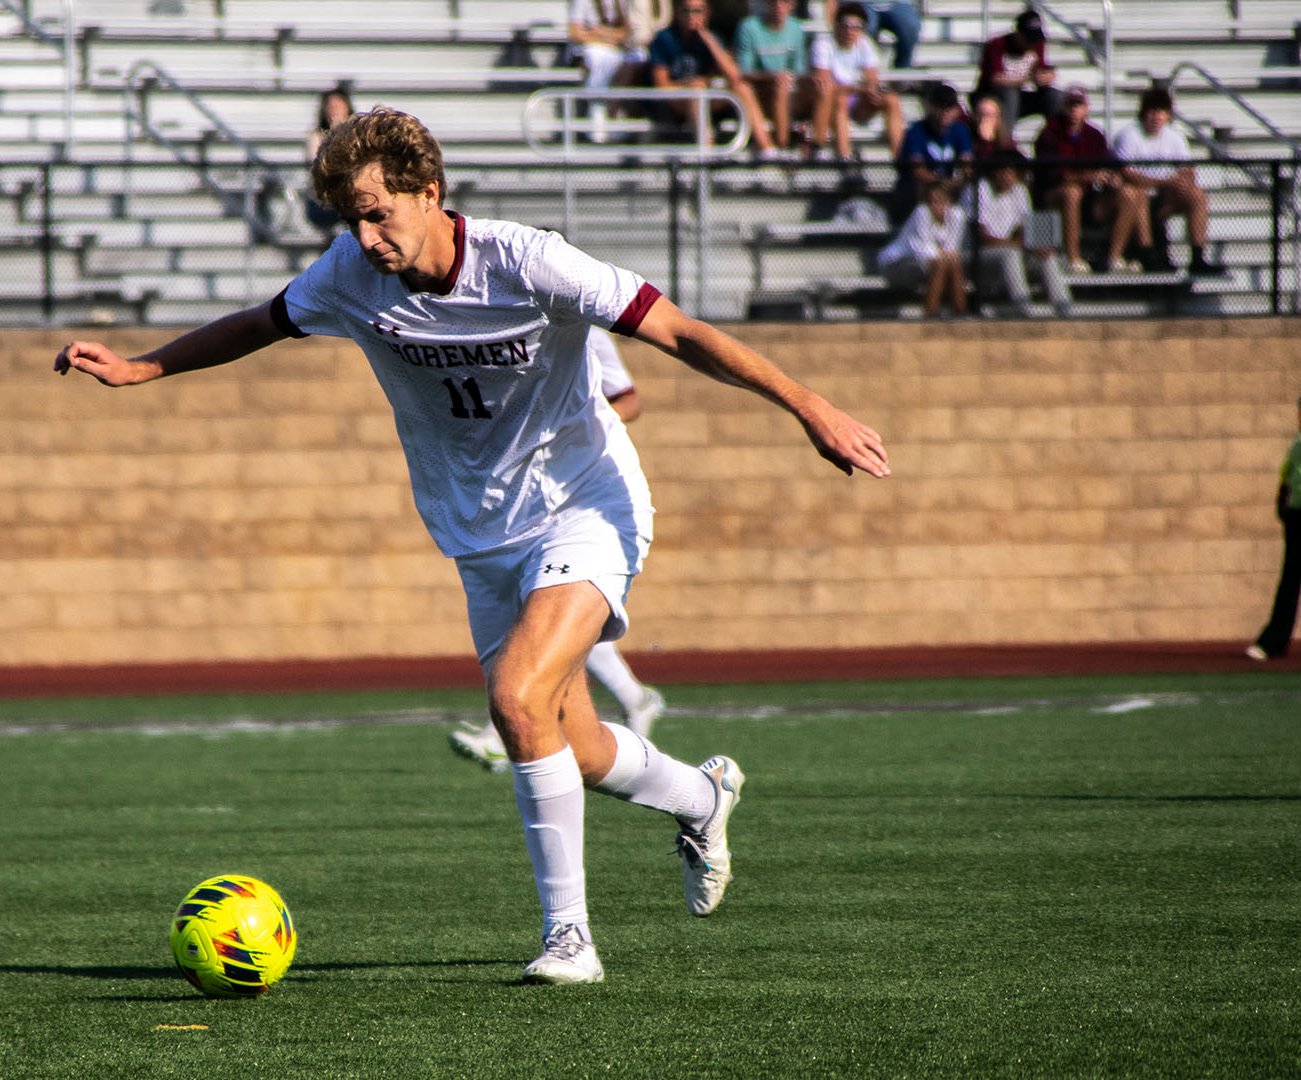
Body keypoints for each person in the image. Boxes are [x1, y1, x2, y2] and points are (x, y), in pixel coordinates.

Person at [54, 108, 890, 984]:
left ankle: (569, 941)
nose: (367, 236)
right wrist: (145, 366)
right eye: (351, 218)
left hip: (586, 505)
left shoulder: (529, 262)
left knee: (516, 699)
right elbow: (260, 323)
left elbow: (679, 332)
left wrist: (811, 407)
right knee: (567, 735)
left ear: (430, 192)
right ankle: (702, 795)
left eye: (380, 212)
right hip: (478, 534)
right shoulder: (347, 275)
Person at [450, 326, 669, 772]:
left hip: (574, 497)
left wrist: (580, 425)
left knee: (541, 620)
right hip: (512, 502)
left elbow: (629, 397)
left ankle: (505, 730)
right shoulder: (493, 323)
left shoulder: (582, 325)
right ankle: (634, 703)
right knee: (539, 623)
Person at [1111, 87, 1224, 275]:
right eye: (1152, 111)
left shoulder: (1174, 137)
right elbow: (1127, 174)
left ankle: (1197, 257)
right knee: (1136, 193)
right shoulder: (1129, 135)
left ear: (1168, 115)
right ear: (1143, 113)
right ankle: (1147, 253)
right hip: (1135, 198)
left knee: (1197, 195)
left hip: (1165, 197)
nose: (1156, 117)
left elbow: (1187, 170)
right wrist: (1165, 183)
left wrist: (1182, 184)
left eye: (1161, 112)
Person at [648, 0, 776, 153]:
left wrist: (708, 39)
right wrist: (691, 84)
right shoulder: (664, 38)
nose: (691, 16)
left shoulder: (711, 38)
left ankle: (768, 150)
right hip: (677, 103)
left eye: (697, 11)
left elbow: (734, 76)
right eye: (686, 11)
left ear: (706, 13)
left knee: (742, 88)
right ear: (677, 12)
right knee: (697, 89)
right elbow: (661, 87)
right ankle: (707, 154)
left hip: (707, 99)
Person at [1033, 86, 1136, 273]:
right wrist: (1087, 176)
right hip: (1052, 199)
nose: (1074, 109)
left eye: (1079, 105)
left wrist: (1113, 178)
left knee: (1129, 193)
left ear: (1086, 108)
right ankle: (1072, 259)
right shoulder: (1049, 134)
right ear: (1062, 107)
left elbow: (1110, 164)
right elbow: (1053, 174)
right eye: (1070, 105)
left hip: (1090, 199)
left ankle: (1114, 258)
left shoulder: (1094, 135)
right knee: (1072, 192)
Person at [969, 149, 1065, 317]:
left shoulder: (1020, 191)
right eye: (1004, 171)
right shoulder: (978, 190)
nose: (1008, 177)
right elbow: (981, 237)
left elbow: (1024, 229)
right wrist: (1018, 245)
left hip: (1011, 252)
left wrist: (1035, 245)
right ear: (994, 172)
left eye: (1012, 172)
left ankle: (1065, 311)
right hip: (976, 258)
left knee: (1047, 255)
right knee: (1011, 254)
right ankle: (1025, 311)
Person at [809, 2, 905, 160]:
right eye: (845, 25)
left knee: (891, 100)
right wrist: (861, 89)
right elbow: (825, 85)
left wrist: (873, 91)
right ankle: (844, 156)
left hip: (857, 102)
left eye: (856, 26)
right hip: (832, 103)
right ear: (836, 25)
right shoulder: (823, 45)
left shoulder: (865, 44)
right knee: (839, 99)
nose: (850, 31)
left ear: (862, 29)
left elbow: (872, 80)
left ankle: (900, 158)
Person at [1247, 396, 1301, 662]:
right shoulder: (1297, 445)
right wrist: (1282, 502)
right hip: (1297, 517)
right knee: (1290, 579)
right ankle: (1274, 640)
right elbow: (1287, 475)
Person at [877, 177, 966, 317]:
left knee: (952, 264)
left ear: (949, 201)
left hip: (930, 265)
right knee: (943, 264)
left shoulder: (957, 214)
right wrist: (945, 255)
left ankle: (960, 313)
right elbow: (923, 250)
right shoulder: (921, 212)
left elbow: (952, 248)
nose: (934, 205)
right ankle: (930, 315)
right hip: (896, 265)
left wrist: (946, 255)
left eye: (939, 201)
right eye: (930, 201)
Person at [733, 0, 813, 153]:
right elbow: (744, 73)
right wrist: (773, 77)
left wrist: (784, 79)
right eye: (774, 2)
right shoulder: (749, 27)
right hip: (759, 91)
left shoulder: (796, 29)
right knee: (778, 85)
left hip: (787, 92)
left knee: (790, 87)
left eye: (784, 2)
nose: (779, 6)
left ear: (793, 4)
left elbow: (799, 71)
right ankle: (781, 147)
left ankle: (792, 146)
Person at [974, 9, 1059, 134]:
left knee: (1054, 95)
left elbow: (1041, 70)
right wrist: (1028, 78)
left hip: (1019, 97)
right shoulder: (997, 45)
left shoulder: (1037, 45)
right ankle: (1006, 142)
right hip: (992, 97)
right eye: (1028, 39)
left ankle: (1054, 138)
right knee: (1009, 94)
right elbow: (995, 79)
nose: (1031, 44)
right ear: (1018, 33)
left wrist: (1047, 76)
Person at [567, 0, 641, 142]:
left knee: (637, 58)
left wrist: (600, 32)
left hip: (615, 49)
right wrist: (606, 39)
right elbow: (575, 33)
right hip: (588, 49)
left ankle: (612, 111)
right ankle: (597, 108)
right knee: (597, 56)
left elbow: (625, 32)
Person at [894, 83, 973, 215]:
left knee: (971, 189)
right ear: (931, 107)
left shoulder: (960, 130)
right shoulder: (916, 131)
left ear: (957, 110)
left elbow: (967, 163)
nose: (945, 112)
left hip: (947, 187)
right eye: (940, 106)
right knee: (923, 188)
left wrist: (964, 179)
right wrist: (944, 182)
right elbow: (917, 170)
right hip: (919, 190)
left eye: (949, 107)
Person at [302, 87, 354, 233]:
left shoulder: (357, 135)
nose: (334, 110)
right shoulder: (316, 137)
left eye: (338, 106)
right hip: (324, 203)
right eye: (330, 106)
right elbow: (319, 168)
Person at [823, 0, 919, 70]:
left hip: (899, 3)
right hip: (858, 3)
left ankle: (901, 77)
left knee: (910, 26)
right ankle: (862, 73)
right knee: (861, 29)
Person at [968, 93, 1016, 165]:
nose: (983, 119)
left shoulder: (1007, 142)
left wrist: (988, 142)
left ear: (998, 118)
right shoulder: (968, 138)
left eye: (989, 115)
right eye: (980, 114)